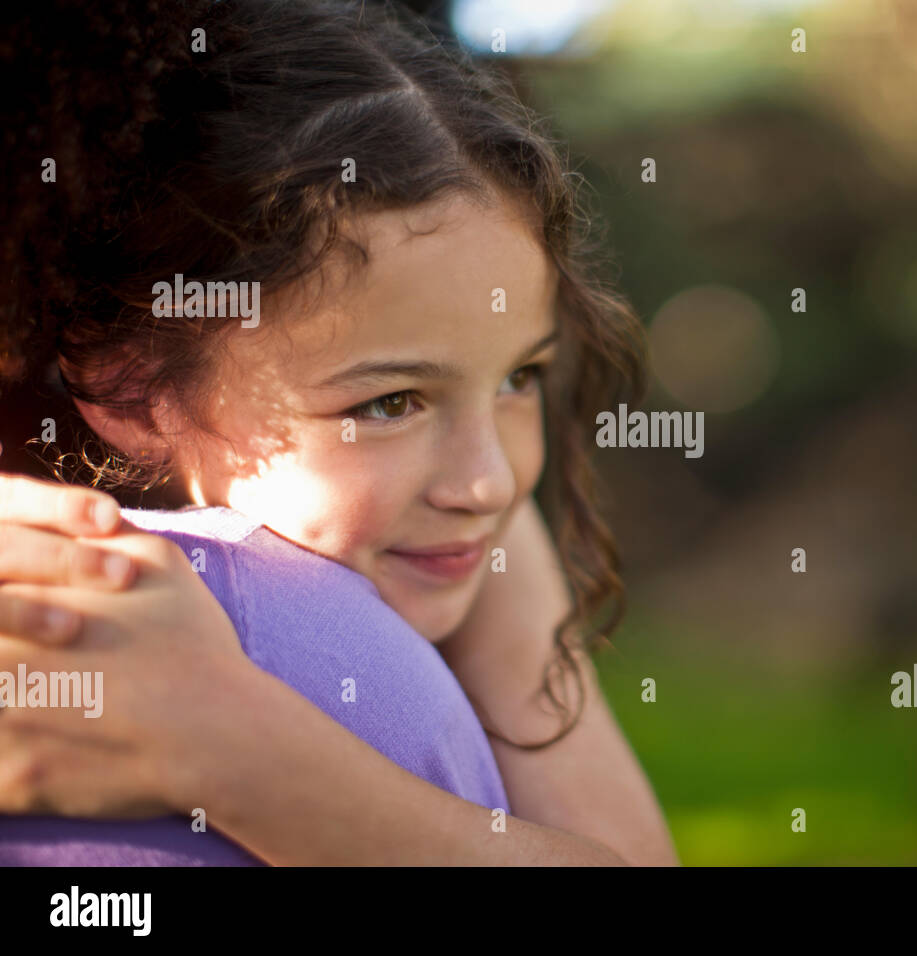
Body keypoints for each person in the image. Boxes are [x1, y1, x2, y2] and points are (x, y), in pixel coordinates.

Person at [0, 0, 677, 865]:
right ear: (132, 390)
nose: (492, 482)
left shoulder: (471, 528)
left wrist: (236, 752)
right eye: (389, 403)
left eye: (521, 378)